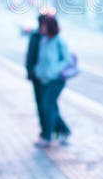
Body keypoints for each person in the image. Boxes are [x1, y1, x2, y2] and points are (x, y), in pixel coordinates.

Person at [26, 14, 70, 142]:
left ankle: (47, 135)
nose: (41, 28)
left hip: (56, 80)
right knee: (49, 106)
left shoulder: (59, 42)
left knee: (47, 106)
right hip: (43, 79)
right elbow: (39, 60)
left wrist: (54, 71)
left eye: (44, 25)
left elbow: (66, 60)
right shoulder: (43, 40)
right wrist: (37, 72)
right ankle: (62, 130)